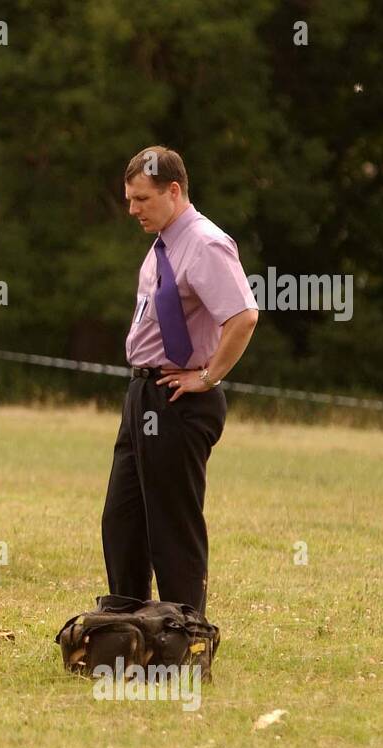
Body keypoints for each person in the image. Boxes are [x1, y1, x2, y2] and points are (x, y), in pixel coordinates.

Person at [102, 146, 259, 613]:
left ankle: (185, 635)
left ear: (174, 191)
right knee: (122, 519)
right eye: (129, 199)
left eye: (142, 199)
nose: (132, 210)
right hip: (143, 395)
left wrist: (207, 377)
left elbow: (244, 316)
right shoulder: (162, 246)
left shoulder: (206, 243)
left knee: (173, 528)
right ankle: (127, 628)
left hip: (179, 399)